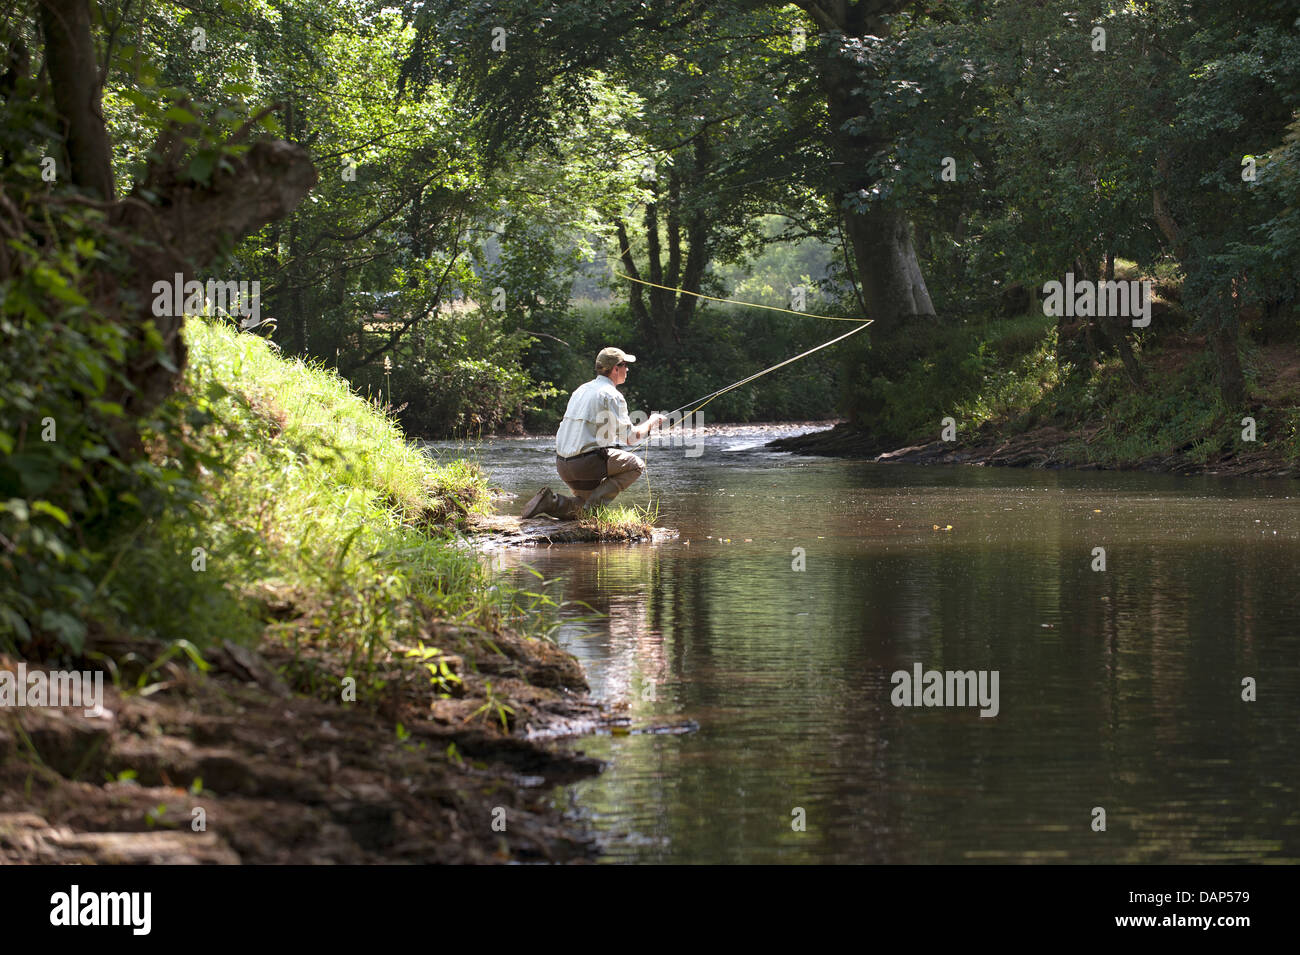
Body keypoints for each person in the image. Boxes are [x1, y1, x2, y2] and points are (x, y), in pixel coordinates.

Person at [521, 347, 666, 520]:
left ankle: (551, 502)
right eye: (625, 365)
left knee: (580, 506)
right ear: (615, 368)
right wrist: (651, 422)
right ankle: (592, 510)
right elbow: (631, 437)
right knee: (637, 465)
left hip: (563, 464)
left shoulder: (581, 390)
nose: (628, 369)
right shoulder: (612, 395)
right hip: (585, 465)